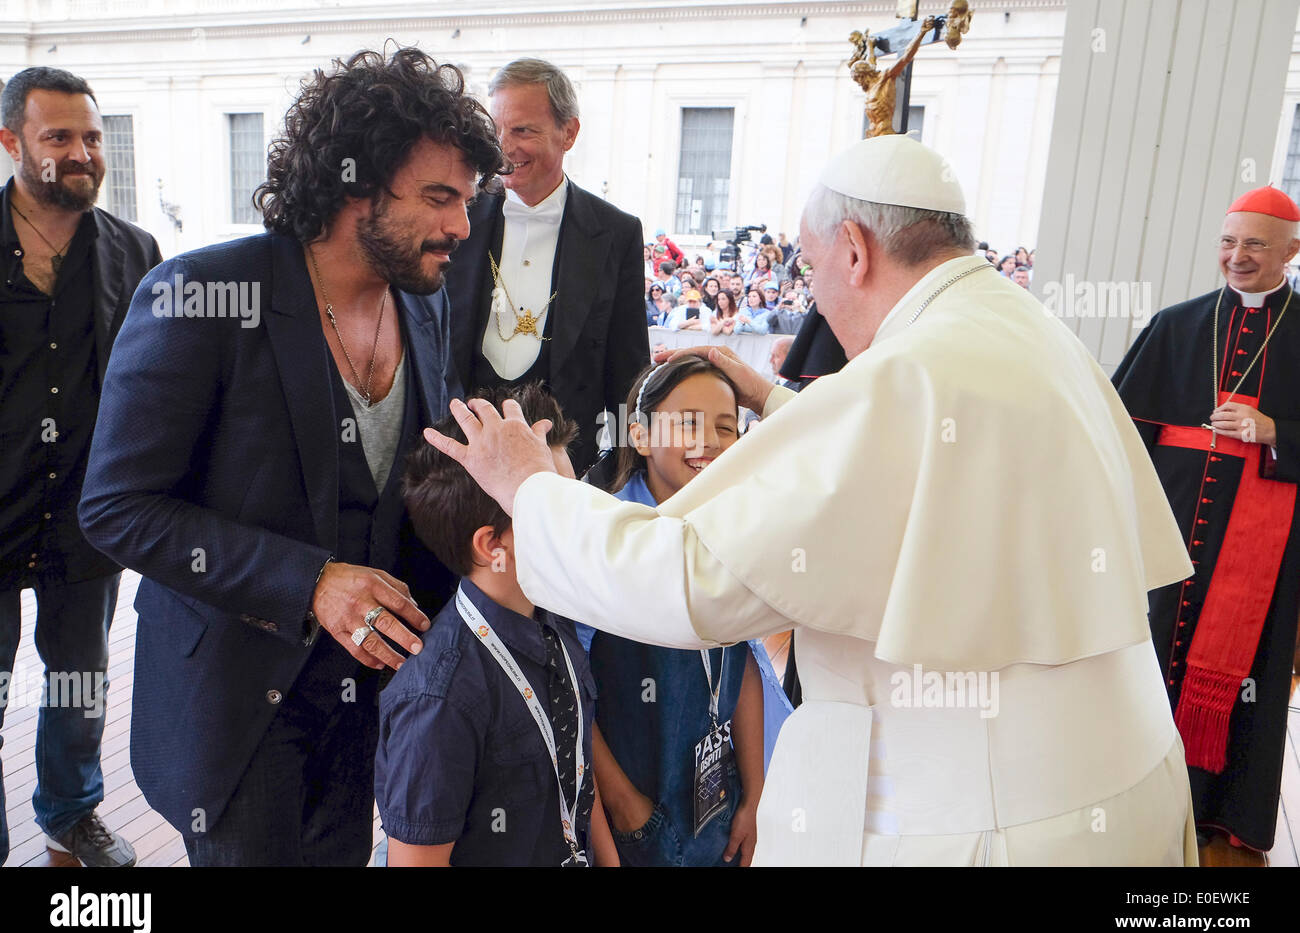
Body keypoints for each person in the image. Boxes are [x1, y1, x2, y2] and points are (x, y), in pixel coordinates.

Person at [426, 133, 1199, 866]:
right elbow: (917, 460)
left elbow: (690, 579)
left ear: (856, 251)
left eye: (812, 266)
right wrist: (775, 397)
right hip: (1119, 781)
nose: (813, 294)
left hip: (990, 824)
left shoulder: (908, 373)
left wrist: (531, 486)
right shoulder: (1021, 327)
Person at [78, 48, 499, 866]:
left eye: (467, 200)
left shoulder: (428, 302)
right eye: (439, 197)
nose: (460, 225)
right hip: (237, 711)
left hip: (369, 698)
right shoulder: (199, 294)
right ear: (356, 188)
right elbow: (116, 508)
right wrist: (310, 582)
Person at [0, 67, 161, 868]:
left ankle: (71, 812)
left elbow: (164, 389)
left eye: (91, 137)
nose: (82, 153)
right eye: (58, 137)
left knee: (80, 684)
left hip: (87, 514)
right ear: (13, 143)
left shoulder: (138, 252)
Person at [1112, 185, 1300, 852]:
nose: (1237, 256)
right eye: (1228, 242)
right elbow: (1120, 427)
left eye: (1254, 244)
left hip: (1265, 544)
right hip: (1174, 527)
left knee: (1251, 671)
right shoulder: (1176, 324)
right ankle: (1135, 789)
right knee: (1152, 648)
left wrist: (1275, 429)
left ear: (1290, 251)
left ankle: (1226, 808)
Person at [379, 383, 616, 866]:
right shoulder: (438, 701)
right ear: (492, 546)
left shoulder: (555, 623)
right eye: (555, 507)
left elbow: (576, 774)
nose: (582, 518)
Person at [576, 357, 789, 866]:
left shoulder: (731, 528)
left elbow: (744, 662)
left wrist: (755, 794)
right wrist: (628, 814)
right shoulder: (604, 539)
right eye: (689, 423)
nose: (712, 442)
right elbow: (572, 685)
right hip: (635, 818)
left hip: (717, 803)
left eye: (725, 426)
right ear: (641, 437)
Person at [442, 58, 648, 474]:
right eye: (496, 130)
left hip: (565, 467)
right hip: (457, 456)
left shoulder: (617, 233)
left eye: (523, 130)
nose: (504, 147)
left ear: (568, 132)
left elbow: (628, 372)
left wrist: (631, 471)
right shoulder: (454, 216)